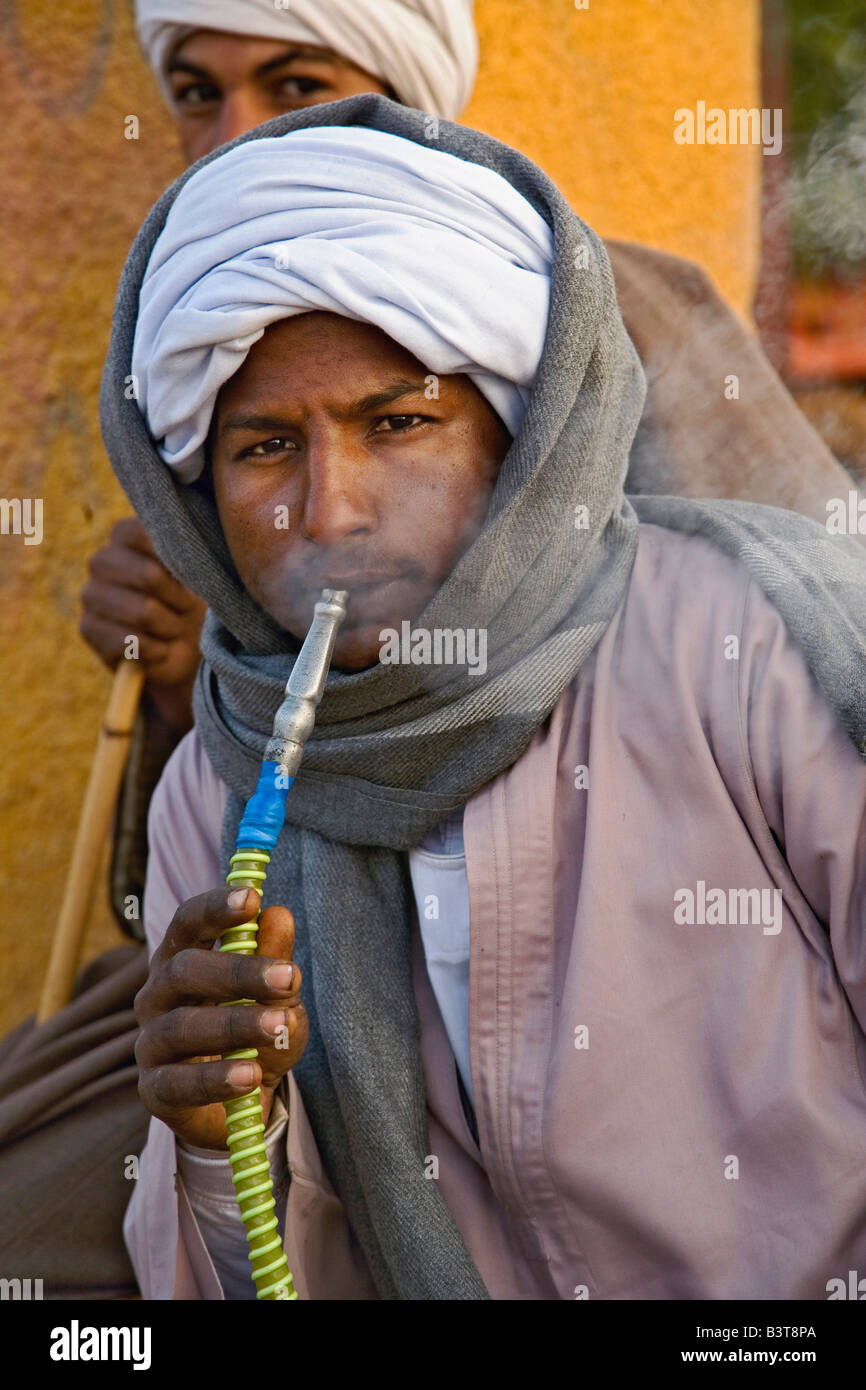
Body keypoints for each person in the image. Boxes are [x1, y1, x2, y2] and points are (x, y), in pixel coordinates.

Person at [102, 99, 866, 1299]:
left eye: (397, 423)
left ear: (522, 440)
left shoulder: (752, 645)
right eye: (260, 449)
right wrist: (213, 1144)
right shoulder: (219, 783)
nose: (334, 511)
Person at [82, 0, 862, 938]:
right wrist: (181, 681)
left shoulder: (593, 316)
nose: (242, 134)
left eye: (298, 85)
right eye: (199, 93)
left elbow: (805, 639)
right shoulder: (198, 339)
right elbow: (215, 851)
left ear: (407, 105)